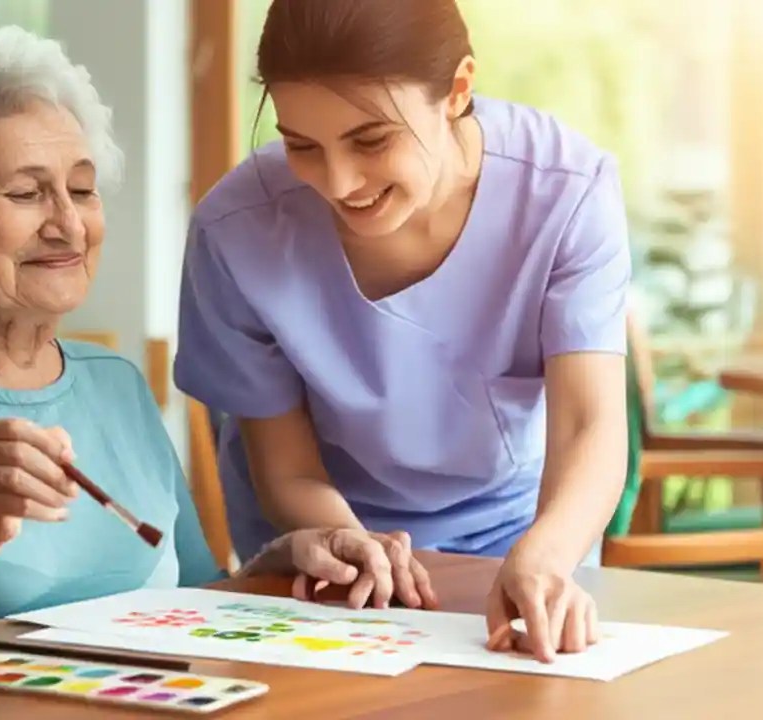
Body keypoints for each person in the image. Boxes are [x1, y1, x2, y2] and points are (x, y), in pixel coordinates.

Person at [0, 27, 415, 660]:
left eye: (83, 190)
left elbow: (197, 588)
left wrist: (291, 553)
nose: (69, 225)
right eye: (27, 193)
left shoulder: (113, 382)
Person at [174, 0, 629, 663]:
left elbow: (590, 425)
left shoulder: (567, 194)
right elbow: (284, 466)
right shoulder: (236, 229)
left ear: (458, 91)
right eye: (301, 144)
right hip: (323, 556)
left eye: (371, 140)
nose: (339, 182)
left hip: (517, 536)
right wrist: (348, 550)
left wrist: (548, 556)